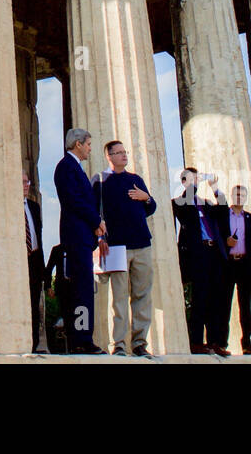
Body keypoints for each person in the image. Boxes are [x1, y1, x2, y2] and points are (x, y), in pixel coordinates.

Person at [92, 140, 156, 357]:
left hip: (142, 244)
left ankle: (140, 344)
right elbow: (94, 213)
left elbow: (150, 208)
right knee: (119, 298)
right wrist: (99, 240)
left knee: (142, 296)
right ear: (108, 156)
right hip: (117, 246)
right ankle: (118, 345)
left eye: (124, 152)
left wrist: (146, 198)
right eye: (118, 153)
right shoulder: (100, 181)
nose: (123, 156)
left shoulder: (136, 179)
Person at [54, 127, 106, 354]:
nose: (89, 149)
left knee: (84, 288)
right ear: (78, 144)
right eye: (88, 144)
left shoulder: (75, 168)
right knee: (81, 289)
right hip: (76, 236)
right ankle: (81, 339)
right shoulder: (66, 167)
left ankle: (83, 338)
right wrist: (96, 221)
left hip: (82, 236)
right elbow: (74, 200)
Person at [174, 166, 228, 356]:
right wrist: (193, 184)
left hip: (213, 253)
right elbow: (185, 204)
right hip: (197, 255)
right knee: (199, 298)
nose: (197, 180)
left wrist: (215, 188)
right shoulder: (180, 202)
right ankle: (196, 342)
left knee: (216, 299)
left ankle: (215, 342)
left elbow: (223, 211)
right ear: (184, 182)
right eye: (192, 178)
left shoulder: (205, 204)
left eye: (197, 178)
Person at [219, 184, 251, 356]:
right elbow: (217, 238)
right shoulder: (223, 215)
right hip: (228, 264)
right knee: (224, 305)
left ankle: (247, 343)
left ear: (245, 198)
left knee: (245, 306)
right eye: (236, 194)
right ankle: (221, 343)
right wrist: (226, 241)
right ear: (232, 196)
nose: (239, 197)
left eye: (242, 195)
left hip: (246, 265)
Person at [24, 171, 46, 352]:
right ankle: (22, 342)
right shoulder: (7, 207)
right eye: (22, 182)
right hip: (17, 262)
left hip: (34, 261)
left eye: (27, 181)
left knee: (33, 304)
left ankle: (34, 344)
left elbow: (38, 236)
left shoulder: (33, 206)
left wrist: (43, 268)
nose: (27, 185)